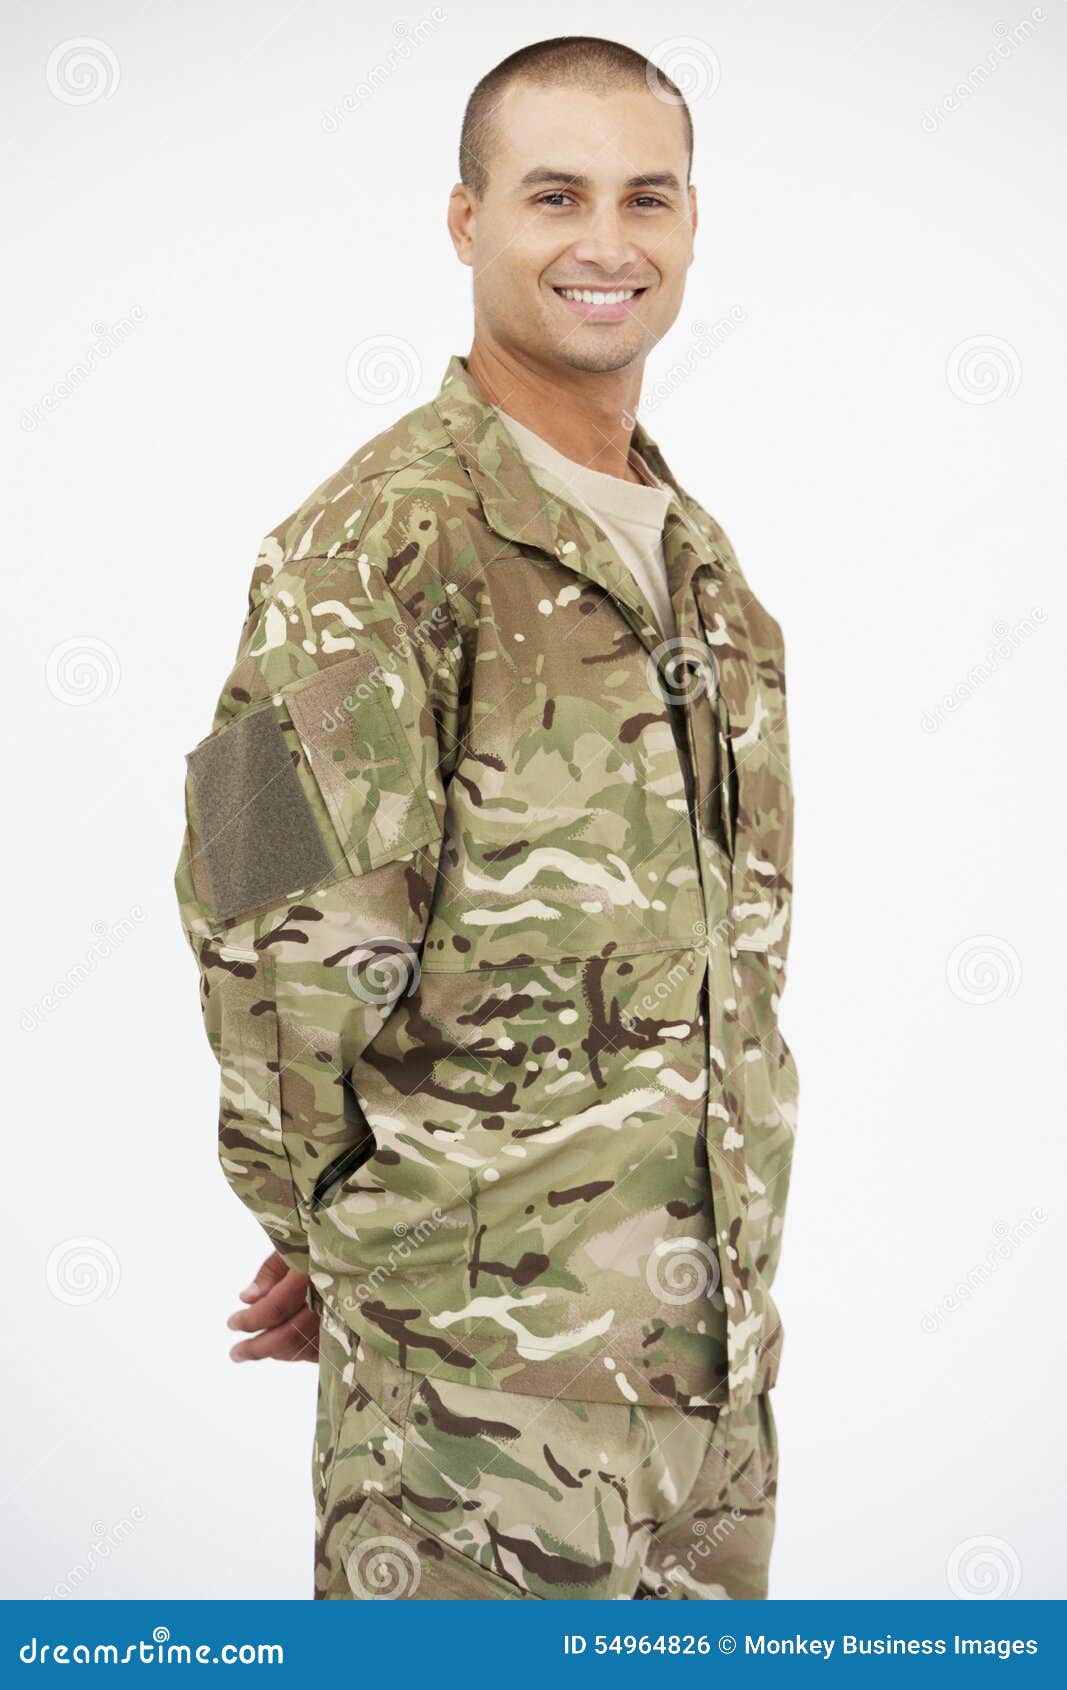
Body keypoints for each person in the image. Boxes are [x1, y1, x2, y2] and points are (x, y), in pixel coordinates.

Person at [175, 34, 798, 1601]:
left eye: (646, 196)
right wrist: (348, 1242)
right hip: (472, 1428)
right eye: (554, 195)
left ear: (693, 223)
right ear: (467, 222)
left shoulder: (707, 569)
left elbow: (736, 965)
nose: (607, 241)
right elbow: (261, 932)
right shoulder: (363, 551)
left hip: (714, 1407)